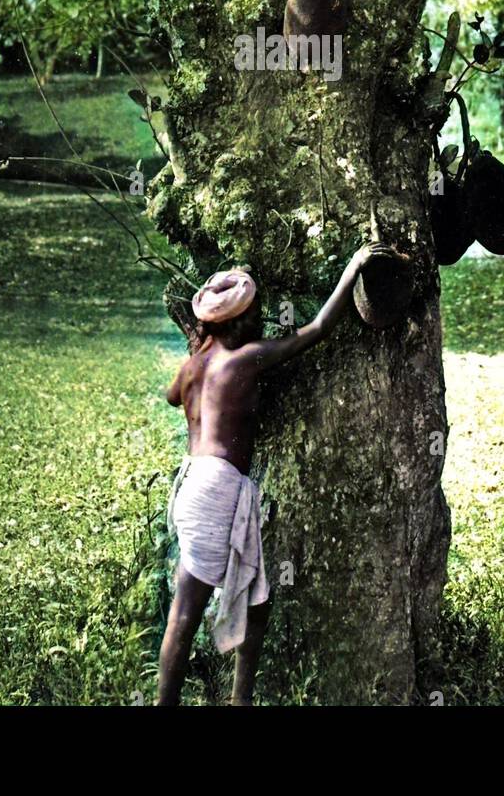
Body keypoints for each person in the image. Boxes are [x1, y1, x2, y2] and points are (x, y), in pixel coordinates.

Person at [156, 242, 386, 706]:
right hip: (216, 488)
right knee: (187, 610)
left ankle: (239, 700)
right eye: (254, 315)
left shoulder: (193, 366)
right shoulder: (244, 359)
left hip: (195, 484)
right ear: (236, 323)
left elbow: (172, 398)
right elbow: (318, 329)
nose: (260, 321)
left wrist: (200, 353)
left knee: (254, 600)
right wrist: (355, 266)